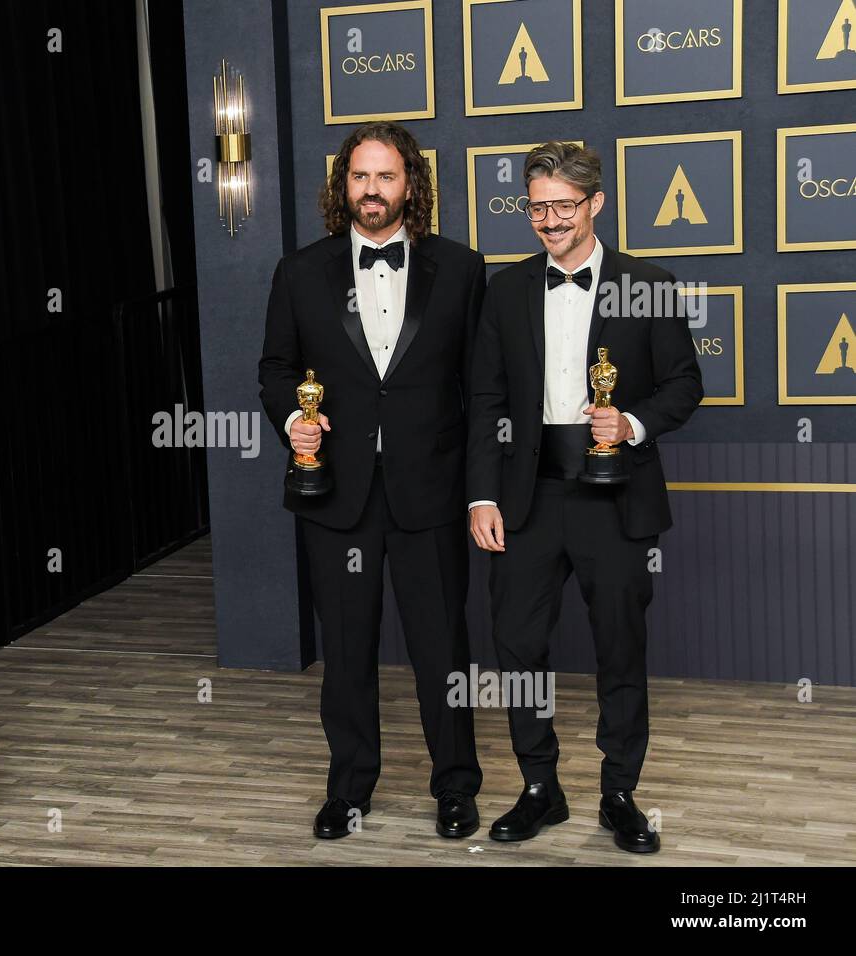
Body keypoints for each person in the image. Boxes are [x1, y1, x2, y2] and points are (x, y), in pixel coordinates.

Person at [467, 141, 703, 853]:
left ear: (596, 204)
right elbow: (484, 400)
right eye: (536, 207)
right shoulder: (503, 290)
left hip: (616, 495)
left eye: (563, 206)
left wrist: (629, 422)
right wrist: (481, 496)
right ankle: (540, 786)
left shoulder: (649, 283)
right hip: (526, 496)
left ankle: (619, 793)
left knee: (619, 648)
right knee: (517, 646)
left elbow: (685, 386)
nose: (548, 220)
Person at [259, 122, 486, 840]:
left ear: (410, 185)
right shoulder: (299, 272)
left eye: (386, 177)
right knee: (348, 652)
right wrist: (291, 424)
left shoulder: (461, 268)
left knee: (442, 651)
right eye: (360, 177)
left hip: (432, 491)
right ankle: (349, 790)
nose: (373, 191)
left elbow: (481, 390)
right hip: (339, 496)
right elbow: (276, 372)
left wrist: (482, 487)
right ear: (342, 186)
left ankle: (456, 787)